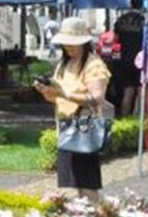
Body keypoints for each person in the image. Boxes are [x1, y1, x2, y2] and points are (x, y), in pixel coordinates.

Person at [33, 16, 112, 201]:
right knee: (72, 184)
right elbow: (56, 97)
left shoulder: (94, 65)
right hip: (65, 128)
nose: (68, 47)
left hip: (84, 129)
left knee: (87, 185)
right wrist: (46, 90)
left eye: (72, 44)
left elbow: (96, 99)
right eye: (65, 44)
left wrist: (64, 94)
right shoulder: (64, 63)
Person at [113, 0, 147, 116]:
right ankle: (137, 119)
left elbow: (115, 40)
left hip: (124, 58)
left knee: (128, 91)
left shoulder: (121, 20)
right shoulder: (144, 21)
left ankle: (124, 118)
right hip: (140, 59)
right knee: (140, 91)